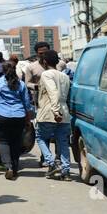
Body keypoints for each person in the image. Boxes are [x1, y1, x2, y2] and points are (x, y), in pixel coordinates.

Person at [0, 62, 34, 180]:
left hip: (1, 115)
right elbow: (27, 104)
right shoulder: (21, 84)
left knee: (3, 141)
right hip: (19, 116)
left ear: (3, 71)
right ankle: (15, 168)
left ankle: (8, 166)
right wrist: (28, 119)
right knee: (16, 142)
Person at [35, 50, 73, 180]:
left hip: (49, 112)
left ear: (44, 62)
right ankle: (66, 171)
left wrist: (56, 111)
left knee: (40, 137)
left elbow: (53, 93)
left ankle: (51, 163)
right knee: (62, 141)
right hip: (64, 112)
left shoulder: (46, 74)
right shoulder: (65, 76)